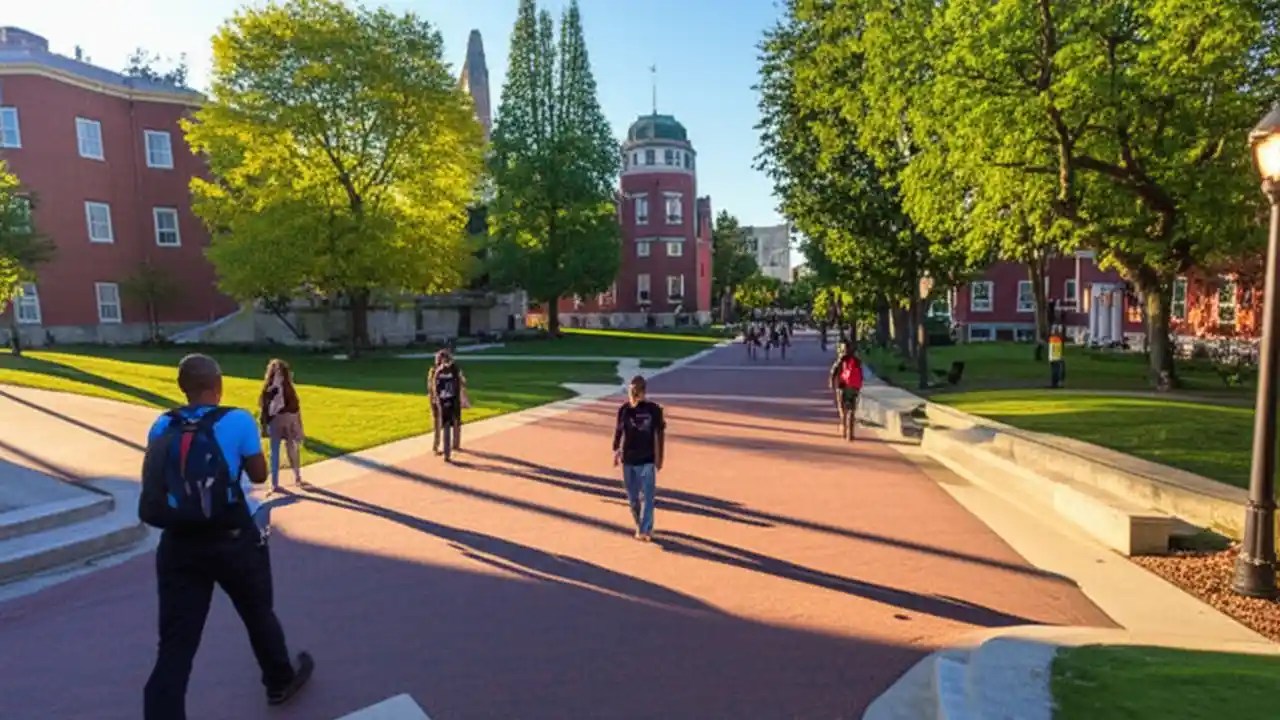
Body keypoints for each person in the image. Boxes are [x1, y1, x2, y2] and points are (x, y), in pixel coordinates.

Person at [142, 354, 313, 720]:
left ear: (182, 387)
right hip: (232, 538)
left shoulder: (161, 425)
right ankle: (279, 681)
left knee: (175, 645)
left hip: (178, 542)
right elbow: (259, 475)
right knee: (257, 613)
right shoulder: (237, 419)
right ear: (218, 385)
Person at [612, 375, 666, 541]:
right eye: (632, 391)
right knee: (633, 499)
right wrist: (616, 450)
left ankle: (645, 529)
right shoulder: (624, 410)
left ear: (643, 391)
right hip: (628, 459)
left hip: (647, 459)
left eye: (637, 391)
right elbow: (619, 431)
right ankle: (640, 524)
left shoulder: (654, 410)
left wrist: (660, 457)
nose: (634, 394)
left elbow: (660, 434)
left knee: (648, 497)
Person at [259, 359, 304, 493]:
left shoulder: (269, 389)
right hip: (288, 419)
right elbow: (295, 407)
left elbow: (265, 408)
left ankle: (275, 483)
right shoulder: (287, 388)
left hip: (277, 420)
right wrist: (299, 427)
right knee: (290, 449)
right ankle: (296, 476)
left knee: (276, 451)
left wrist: (263, 425)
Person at [433, 350, 467, 461]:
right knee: (449, 422)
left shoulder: (443, 371)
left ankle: (451, 446)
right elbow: (435, 386)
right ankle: (448, 448)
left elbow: (435, 387)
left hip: (448, 400)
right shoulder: (445, 371)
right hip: (447, 401)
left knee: (450, 422)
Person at [829, 343, 864, 440]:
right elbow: (861, 375)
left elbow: (833, 372)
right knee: (852, 410)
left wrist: (831, 383)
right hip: (854, 387)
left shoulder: (841, 359)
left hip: (842, 386)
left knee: (842, 410)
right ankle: (851, 433)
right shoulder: (857, 360)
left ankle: (844, 429)